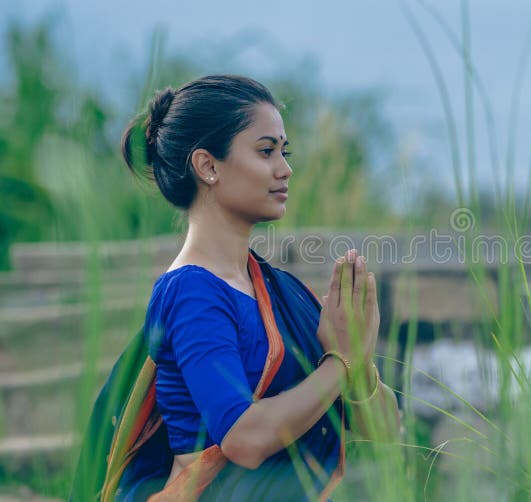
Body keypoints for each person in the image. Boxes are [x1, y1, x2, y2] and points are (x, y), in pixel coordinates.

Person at [70, 75, 400, 501]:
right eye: (266, 151)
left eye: (285, 151)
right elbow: (243, 439)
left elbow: (387, 430)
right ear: (207, 166)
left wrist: (359, 361)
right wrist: (338, 363)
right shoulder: (192, 294)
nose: (285, 168)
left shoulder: (279, 291)